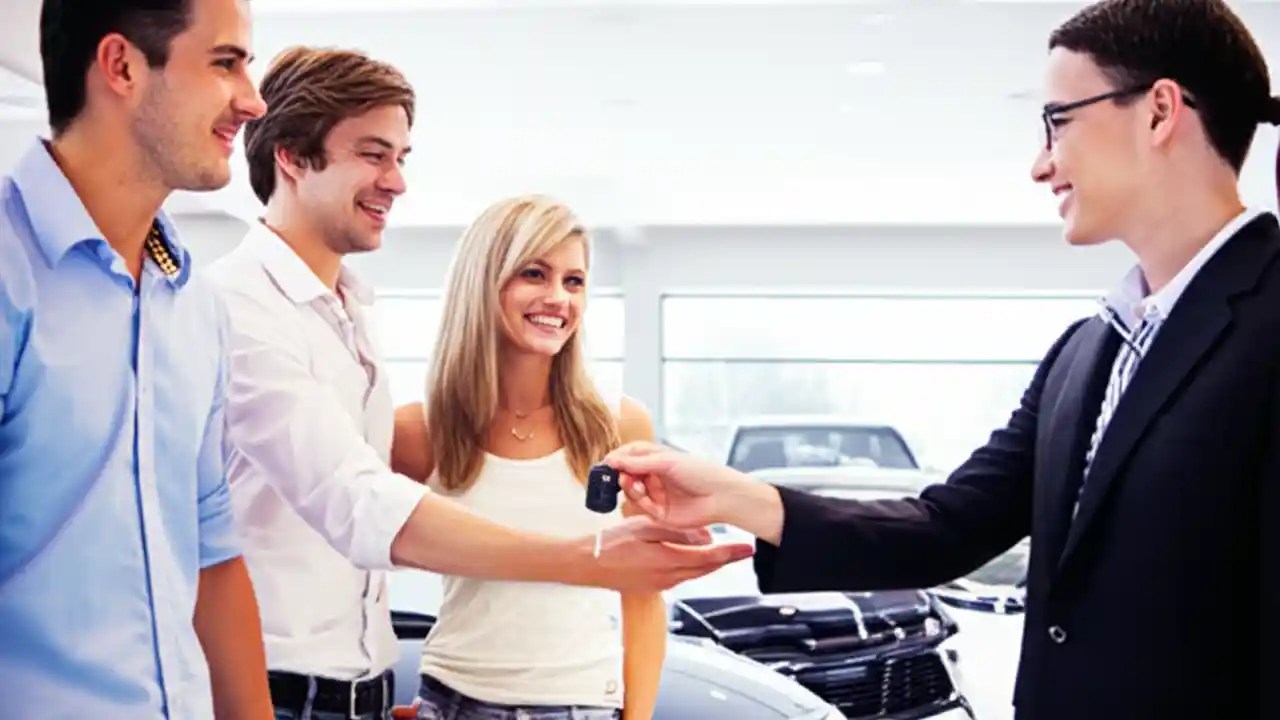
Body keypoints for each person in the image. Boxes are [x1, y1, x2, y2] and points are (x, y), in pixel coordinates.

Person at [602, 1, 1280, 719]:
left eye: (1058, 120)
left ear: (1159, 111)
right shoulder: (1085, 352)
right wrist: (736, 498)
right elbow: (948, 527)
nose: (1040, 164)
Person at [206, 47, 750, 720]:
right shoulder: (238, 308)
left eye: (402, 157)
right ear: (290, 155)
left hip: (367, 690)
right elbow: (358, 503)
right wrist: (590, 559)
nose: (397, 182)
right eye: (374, 155)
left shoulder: (349, 313)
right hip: (282, 686)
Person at [0, 0, 273, 718]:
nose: (253, 98)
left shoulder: (193, 302)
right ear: (121, 65)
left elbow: (211, 546)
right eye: (225, 62)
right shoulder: (7, 273)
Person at [390, 195, 664, 720]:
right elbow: (354, 564)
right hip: (452, 700)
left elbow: (644, 595)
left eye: (574, 281)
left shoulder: (619, 426)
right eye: (534, 274)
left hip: (581, 704)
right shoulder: (417, 431)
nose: (558, 297)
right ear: (484, 282)